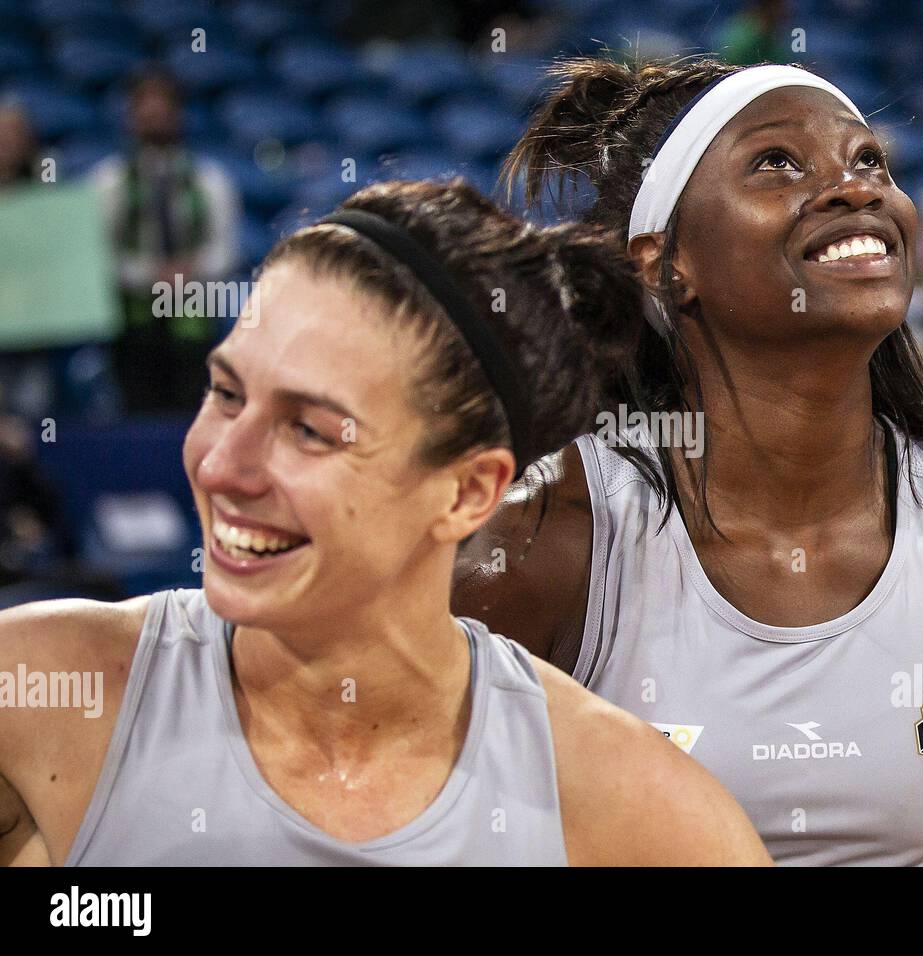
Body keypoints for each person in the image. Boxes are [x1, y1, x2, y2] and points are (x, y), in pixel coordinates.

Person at [0, 179, 771, 867]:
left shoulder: (633, 810)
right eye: (228, 394)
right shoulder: (35, 697)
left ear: (470, 492)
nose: (221, 465)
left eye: (309, 430)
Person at [457, 58, 923, 865]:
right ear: (662, 264)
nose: (855, 188)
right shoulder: (538, 547)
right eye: (778, 164)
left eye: (869, 162)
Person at [90, 67, 241, 414]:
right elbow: (99, 252)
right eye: (145, 107)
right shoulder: (108, 181)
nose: (154, 115)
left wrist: (193, 269)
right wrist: (149, 274)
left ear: (178, 114)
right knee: (137, 407)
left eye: (163, 106)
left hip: (192, 312)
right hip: (132, 319)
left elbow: (226, 246)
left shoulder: (209, 179)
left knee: (193, 404)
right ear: (131, 115)